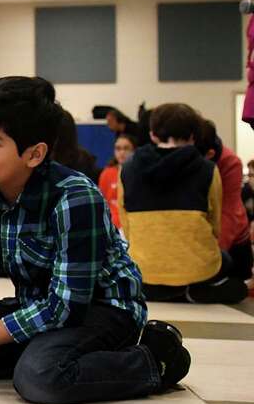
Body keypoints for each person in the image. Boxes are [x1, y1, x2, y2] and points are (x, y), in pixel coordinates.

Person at [0, 76, 189, 404]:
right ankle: (49, 354)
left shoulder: (75, 197)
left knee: (39, 377)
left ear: (34, 154)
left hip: (102, 309)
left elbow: (67, 305)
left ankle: (154, 359)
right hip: (39, 306)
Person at [119, 104, 245, 304]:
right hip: (198, 269)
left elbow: (125, 223)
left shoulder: (127, 169)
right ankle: (190, 290)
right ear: (193, 136)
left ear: (152, 135)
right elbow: (215, 224)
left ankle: (157, 290)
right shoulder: (208, 169)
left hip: (145, 267)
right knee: (228, 264)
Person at [197, 119, 252, 282]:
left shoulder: (230, 162)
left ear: (209, 155)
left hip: (233, 240)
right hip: (203, 242)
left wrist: (212, 258)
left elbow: (228, 211)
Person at [98, 132, 137, 230]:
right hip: (112, 225)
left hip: (132, 223)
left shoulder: (139, 172)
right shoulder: (107, 173)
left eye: (126, 148)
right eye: (118, 148)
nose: (122, 152)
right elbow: (102, 203)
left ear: (134, 150)